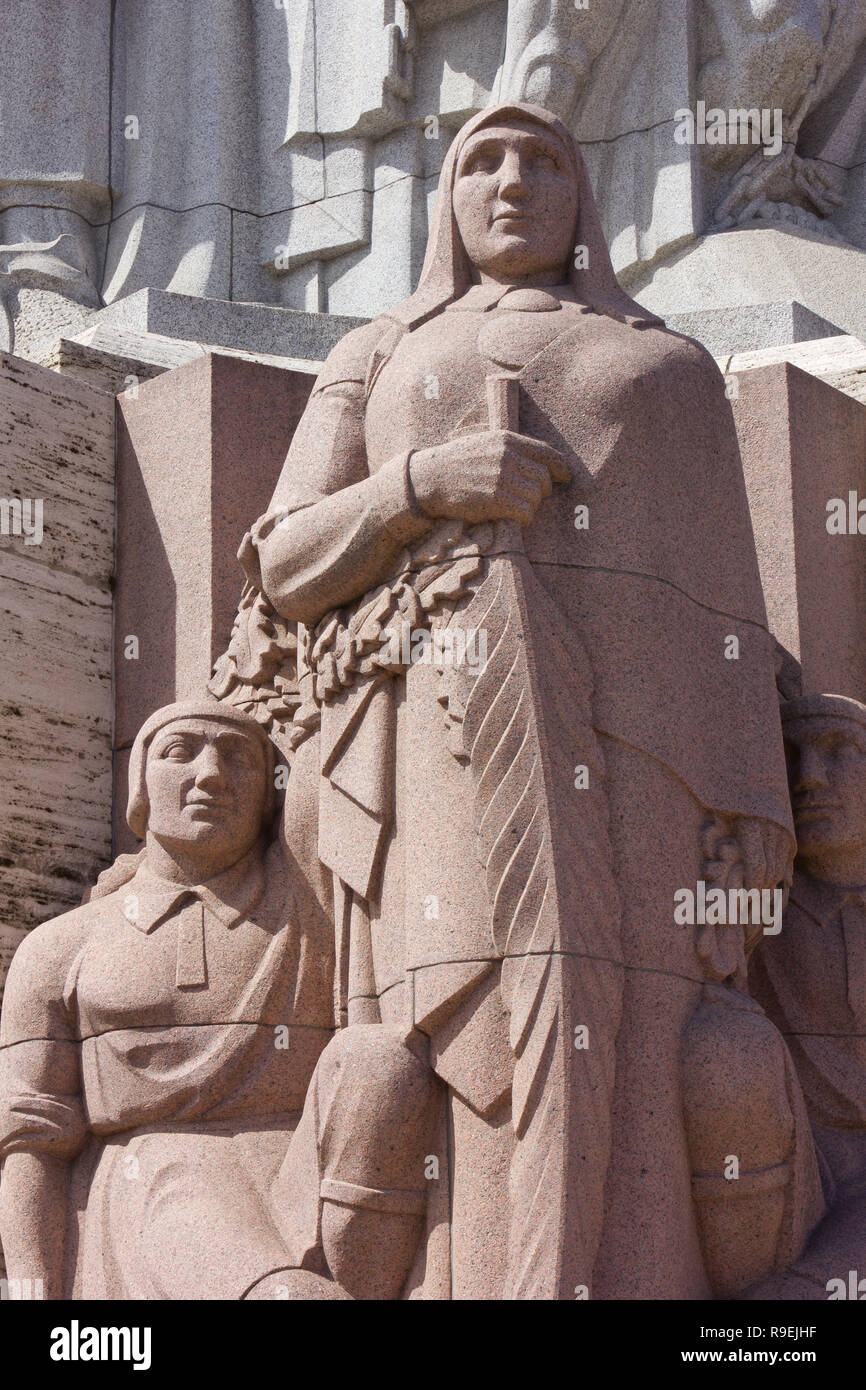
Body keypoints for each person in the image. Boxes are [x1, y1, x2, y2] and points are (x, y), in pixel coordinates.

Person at [216, 102, 794, 1297]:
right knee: (456, 1019)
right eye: (480, 160)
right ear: (444, 198)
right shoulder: (375, 350)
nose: (511, 181)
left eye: (542, 161)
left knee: (640, 1054)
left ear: (585, 198)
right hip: (439, 733)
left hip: (651, 760)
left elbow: (733, 623)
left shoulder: (668, 367)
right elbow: (283, 561)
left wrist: (745, 834)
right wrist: (425, 485)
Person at [0, 695, 438, 1299]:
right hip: (157, 1182)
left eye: (239, 758)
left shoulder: (305, 899)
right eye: (180, 752)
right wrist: (30, 1285)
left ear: (270, 796)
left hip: (308, 1169)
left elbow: (343, 751)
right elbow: (31, 1140)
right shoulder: (61, 948)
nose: (211, 774)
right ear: (141, 787)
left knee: (379, 1062)